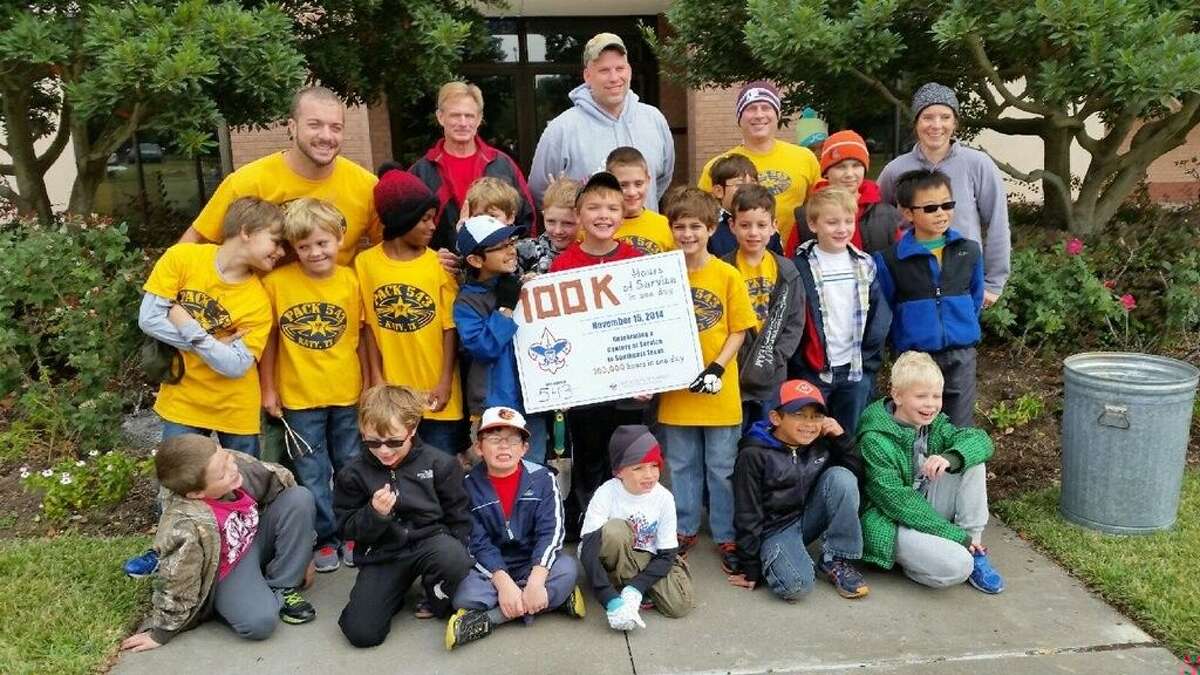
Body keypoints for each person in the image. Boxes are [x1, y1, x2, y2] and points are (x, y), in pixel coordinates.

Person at [119, 434, 316, 653]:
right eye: (222, 474)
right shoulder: (185, 523)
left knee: (299, 498)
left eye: (227, 457)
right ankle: (226, 598)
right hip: (226, 567)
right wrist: (162, 632)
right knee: (259, 624)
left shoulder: (235, 468)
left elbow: (282, 482)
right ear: (196, 493)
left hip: (252, 538)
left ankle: (282, 584)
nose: (233, 468)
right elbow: (178, 577)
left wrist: (302, 553)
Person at [260, 198, 366, 573]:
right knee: (312, 471)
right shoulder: (277, 284)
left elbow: (364, 335)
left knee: (352, 465)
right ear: (293, 248)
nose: (314, 252)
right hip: (299, 396)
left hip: (347, 391)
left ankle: (354, 532)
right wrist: (268, 388)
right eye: (304, 246)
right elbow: (270, 340)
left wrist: (371, 382)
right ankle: (325, 537)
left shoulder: (352, 281)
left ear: (339, 239)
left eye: (322, 243)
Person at [657, 187, 757, 574]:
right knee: (681, 464)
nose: (687, 234)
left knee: (721, 467)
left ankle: (725, 533)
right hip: (677, 389)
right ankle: (683, 528)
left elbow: (738, 329)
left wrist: (716, 367)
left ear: (712, 228)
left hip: (719, 390)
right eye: (679, 226)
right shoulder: (662, 274)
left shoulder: (726, 274)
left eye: (695, 226)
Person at [140, 196, 283, 455]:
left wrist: (193, 331)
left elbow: (236, 365)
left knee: (243, 488)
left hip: (235, 408)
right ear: (247, 231)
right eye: (276, 241)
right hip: (183, 401)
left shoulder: (259, 300)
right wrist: (215, 345)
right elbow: (149, 319)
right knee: (179, 487)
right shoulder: (182, 258)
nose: (281, 252)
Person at [334, 385, 474, 648]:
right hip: (384, 550)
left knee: (455, 559)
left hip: (431, 542)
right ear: (362, 433)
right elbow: (346, 528)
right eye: (373, 442)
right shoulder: (353, 473)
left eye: (394, 442)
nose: (384, 450)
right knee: (362, 634)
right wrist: (374, 514)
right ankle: (393, 593)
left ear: (413, 429)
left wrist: (461, 556)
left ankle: (433, 591)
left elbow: (459, 516)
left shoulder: (439, 463)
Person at [181, 87, 381, 267]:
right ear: (293, 127)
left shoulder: (366, 186)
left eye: (336, 127)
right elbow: (189, 247)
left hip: (335, 302)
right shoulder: (247, 182)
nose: (327, 136)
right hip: (259, 303)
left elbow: (389, 251)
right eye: (315, 125)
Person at [857, 351, 1004, 593]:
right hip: (891, 520)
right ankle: (924, 560)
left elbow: (981, 441)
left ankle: (975, 547)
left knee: (971, 460)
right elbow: (898, 503)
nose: (931, 404)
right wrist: (954, 536)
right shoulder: (874, 439)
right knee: (957, 566)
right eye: (921, 396)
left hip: (927, 505)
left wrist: (950, 457)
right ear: (897, 395)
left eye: (936, 396)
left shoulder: (934, 425)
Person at [549, 172, 644, 535]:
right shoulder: (563, 265)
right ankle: (591, 527)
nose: (603, 215)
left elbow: (647, 329)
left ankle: (628, 527)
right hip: (585, 389)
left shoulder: (636, 261)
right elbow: (558, 330)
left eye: (612, 208)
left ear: (623, 214)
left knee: (627, 458)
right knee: (589, 457)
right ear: (579, 213)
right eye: (594, 207)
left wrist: (647, 376)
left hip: (628, 386)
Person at [445, 406, 584, 649]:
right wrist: (503, 582)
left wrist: (537, 579)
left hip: (533, 563)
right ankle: (552, 601)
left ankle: (491, 619)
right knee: (463, 594)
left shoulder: (543, 478)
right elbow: (475, 541)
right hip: (491, 571)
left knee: (568, 569)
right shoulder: (467, 486)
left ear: (524, 448)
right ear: (479, 447)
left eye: (512, 440)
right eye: (494, 439)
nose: (504, 447)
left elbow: (551, 532)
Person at [356, 165, 466, 456]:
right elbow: (366, 327)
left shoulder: (438, 265)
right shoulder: (365, 265)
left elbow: (449, 328)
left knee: (439, 468)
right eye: (425, 219)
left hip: (436, 396)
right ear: (401, 221)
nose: (433, 227)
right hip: (391, 395)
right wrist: (376, 378)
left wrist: (444, 382)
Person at [729, 380, 868, 600]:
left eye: (816, 416)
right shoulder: (754, 453)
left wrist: (841, 439)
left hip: (806, 518)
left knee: (842, 477)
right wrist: (750, 565)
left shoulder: (820, 441)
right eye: (799, 415)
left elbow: (856, 477)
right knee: (797, 586)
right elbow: (747, 512)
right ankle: (778, 557)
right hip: (774, 530)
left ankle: (836, 558)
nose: (809, 424)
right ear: (776, 418)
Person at [876, 83, 1011, 307]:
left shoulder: (978, 164)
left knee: (962, 340)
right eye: (928, 117)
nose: (936, 125)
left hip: (963, 281)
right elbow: (877, 220)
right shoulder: (895, 170)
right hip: (912, 285)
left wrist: (993, 283)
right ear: (916, 122)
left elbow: (998, 222)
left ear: (955, 122)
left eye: (945, 117)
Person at [873, 169, 982, 427]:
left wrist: (962, 326)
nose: (941, 213)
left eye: (947, 205)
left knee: (959, 425)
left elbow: (975, 299)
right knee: (916, 426)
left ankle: (954, 468)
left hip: (960, 355)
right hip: (916, 357)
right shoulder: (890, 259)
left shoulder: (969, 251)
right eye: (931, 208)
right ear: (908, 213)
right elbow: (886, 307)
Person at [529, 33, 674, 211]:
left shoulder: (654, 120)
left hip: (645, 237)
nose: (614, 78)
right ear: (587, 76)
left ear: (629, 70)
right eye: (604, 70)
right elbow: (541, 194)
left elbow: (660, 182)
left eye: (620, 68)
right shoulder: (562, 129)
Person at [789, 189, 891, 436]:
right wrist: (800, 361)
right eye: (832, 222)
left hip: (855, 368)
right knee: (808, 433)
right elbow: (793, 318)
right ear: (813, 224)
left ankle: (847, 474)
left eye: (848, 222)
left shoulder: (864, 263)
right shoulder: (798, 266)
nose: (841, 229)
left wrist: (869, 360)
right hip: (814, 369)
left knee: (850, 434)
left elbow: (880, 314)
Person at [453, 214, 553, 464]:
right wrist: (506, 308)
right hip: (493, 405)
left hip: (533, 400)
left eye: (511, 243)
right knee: (495, 471)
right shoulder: (467, 301)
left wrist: (535, 289)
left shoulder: (517, 284)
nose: (511, 251)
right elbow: (483, 347)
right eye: (501, 247)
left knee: (532, 468)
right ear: (475, 260)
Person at [580, 425, 695, 631]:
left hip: (647, 557)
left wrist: (636, 588)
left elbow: (667, 554)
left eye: (654, 466)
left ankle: (630, 588)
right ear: (618, 471)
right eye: (638, 468)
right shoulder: (606, 493)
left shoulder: (664, 498)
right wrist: (608, 599)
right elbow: (588, 549)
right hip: (613, 556)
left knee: (680, 605)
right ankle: (616, 590)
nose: (649, 475)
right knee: (615, 530)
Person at [410, 81, 537, 253]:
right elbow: (409, 231)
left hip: (497, 273)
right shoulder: (421, 172)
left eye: (469, 116)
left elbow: (527, 219)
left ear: (479, 119)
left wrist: (512, 256)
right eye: (455, 115)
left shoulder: (503, 164)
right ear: (440, 117)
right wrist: (430, 257)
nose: (463, 123)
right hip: (440, 272)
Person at [719, 185, 805, 431]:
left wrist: (776, 357)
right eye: (745, 225)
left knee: (767, 437)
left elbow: (795, 323)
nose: (753, 232)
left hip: (771, 372)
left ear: (774, 225)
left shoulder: (787, 271)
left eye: (761, 225)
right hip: (733, 372)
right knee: (733, 440)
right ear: (732, 225)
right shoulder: (722, 269)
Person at [698, 81, 821, 247]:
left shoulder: (805, 158)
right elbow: (701, 219)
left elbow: (819, 210)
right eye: (751, 109)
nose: (759, 115)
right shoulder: (717, 167)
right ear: (739, 118)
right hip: (733, 258)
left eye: (766, 107)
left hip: (792, 259)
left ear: (777, 115)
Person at [787, 130, 903, 255]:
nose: (849, 174)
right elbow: (792, 265)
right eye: (840, 167)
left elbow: (898, 263)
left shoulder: (886, 215)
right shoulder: (807, 216)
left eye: (856, 165)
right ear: (826, 172)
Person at [707, 153, 780, 257]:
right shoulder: (709, 228)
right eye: (740, 184)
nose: (748, 189)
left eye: (753, 183)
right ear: (718, 191)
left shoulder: (767, 226)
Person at [607, 146, 675, 255]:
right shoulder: (597, 228)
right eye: (623, 185)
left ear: (648, 180)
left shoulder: (664, 225)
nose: (632, 192)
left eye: (638, 184)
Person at [516, 177, 580, 277]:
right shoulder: (525, 251)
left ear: (584, 220)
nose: (558, 231)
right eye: (551, 221)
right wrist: (523, 283)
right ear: (543, 215)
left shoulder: (595, 253)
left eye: (568, 223)